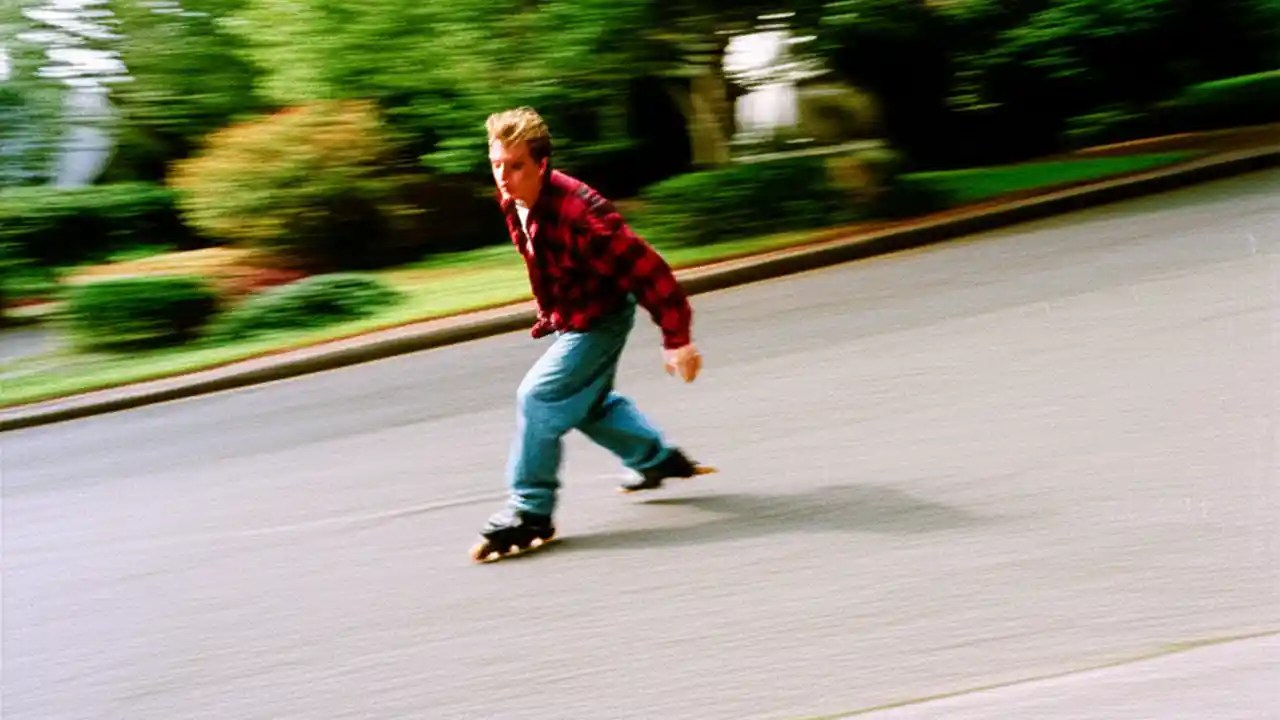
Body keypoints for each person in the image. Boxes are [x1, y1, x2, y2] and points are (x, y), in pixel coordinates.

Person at [470, 106, 708, 562]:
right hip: (575, 315)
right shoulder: (514, 199)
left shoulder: (584, 217)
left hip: (601, 318)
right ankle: (654, 458)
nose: (504, 177)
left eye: (516, 165)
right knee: (585, 401)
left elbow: (649, 271)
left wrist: (678, 338)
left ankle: (529, 512)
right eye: (497, 164)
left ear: (542, 164)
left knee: (539, 397)